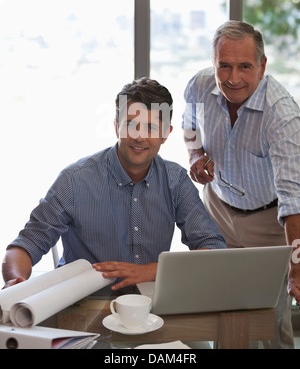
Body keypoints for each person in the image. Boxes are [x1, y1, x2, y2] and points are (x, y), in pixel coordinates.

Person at [2, 77, 226, 291]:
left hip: (149, 301)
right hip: (81, 300)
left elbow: (213, 248)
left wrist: (153, 271)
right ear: (116, 126)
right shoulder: (74, 179)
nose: (139, 136)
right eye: (131, 125)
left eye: (151, 128)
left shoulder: (175, 180)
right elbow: (27, 243)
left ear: (165, 134)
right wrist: (15, 281)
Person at [182, 20, 300, 349]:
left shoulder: (283, 115)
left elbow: (294, 199)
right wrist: (195, 154)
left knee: (269, 318)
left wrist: (297, 265)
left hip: (269, 222)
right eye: (225, 66)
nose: (233, 78)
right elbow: (189, 126)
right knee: (221, 307)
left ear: (262, 66)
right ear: (214, 62)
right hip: (218, 210)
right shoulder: (198, 86)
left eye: (245, 66)